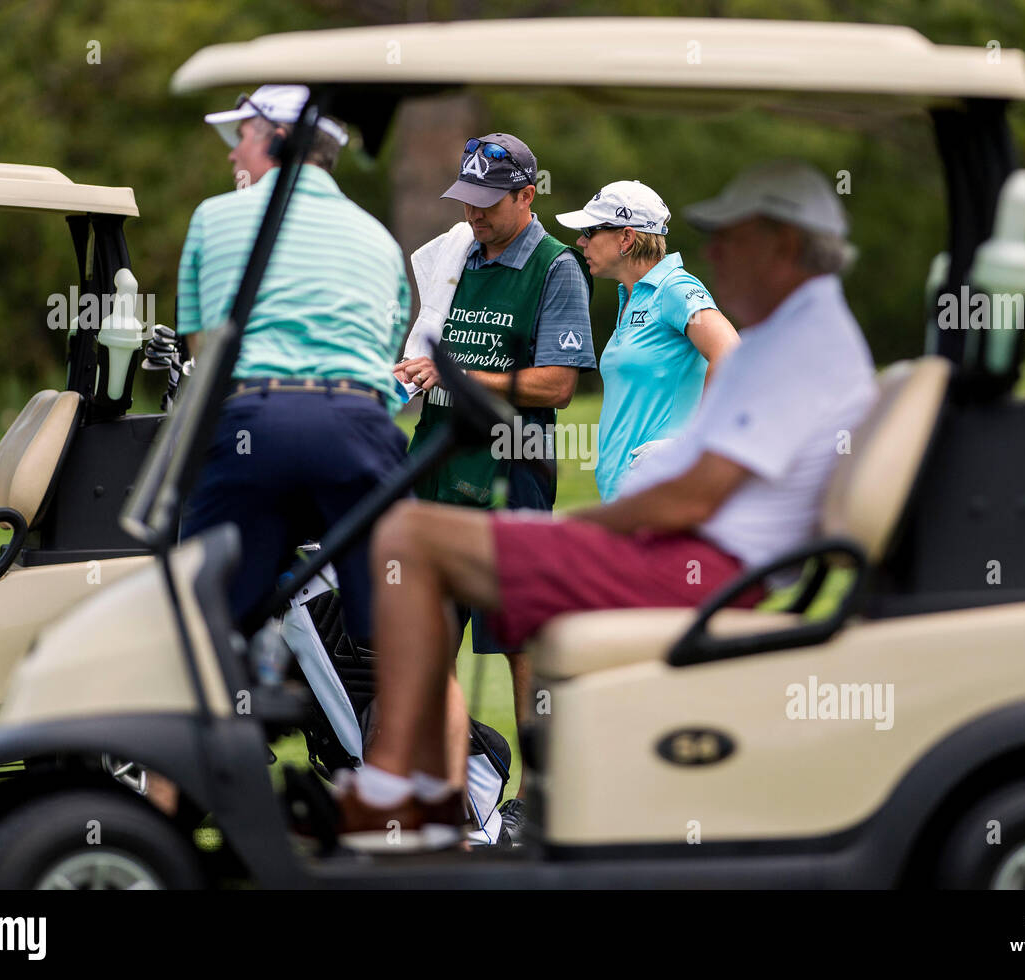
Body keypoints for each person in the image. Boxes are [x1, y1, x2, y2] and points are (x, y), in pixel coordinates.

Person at [333, 159, 878, 850]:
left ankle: (399, 803)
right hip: (681, 547)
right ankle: (434, 804)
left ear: (785, 246)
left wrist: (582, 526)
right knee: (421, 539)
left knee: (411, 538)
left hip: (693, 564)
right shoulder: (796, 330)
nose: (711, 251)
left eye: (730, 237)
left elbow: (694, 495)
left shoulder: (798, 343)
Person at [391, 133, 595, 841]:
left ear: (527, 196)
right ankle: (446, 796)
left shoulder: (555, 266)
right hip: (439, 468)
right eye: (466, 201)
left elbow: (559, 386)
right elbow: (434, 341)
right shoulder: (455, 259)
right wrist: (416, 369)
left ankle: (542, 796)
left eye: (487, 203)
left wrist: (464, 380)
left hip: (512, 474)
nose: (473, 215)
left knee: (520, 643)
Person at [176, 84, 411, 643]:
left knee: (205, 623)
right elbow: (382, 357)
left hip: (254, 423)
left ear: (278, 140)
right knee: (397, 631)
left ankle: (229, 711)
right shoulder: (379, 237)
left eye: (242, 137)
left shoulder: (214, 217)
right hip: (359, 427)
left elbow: (204, 355)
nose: (233, 152)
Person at [555, 180, 739, 500]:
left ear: (626, 237)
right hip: (628, 498)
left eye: (590, 232)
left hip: (662, 494)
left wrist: (692, 444)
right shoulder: (632, 296)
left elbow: (731, 353)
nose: (580, 242)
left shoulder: (674, 289)